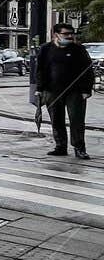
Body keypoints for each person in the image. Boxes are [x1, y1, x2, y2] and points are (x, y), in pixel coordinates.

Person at [35, 22, 94, 159]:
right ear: (56, 34)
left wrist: (86, 90)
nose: (69, 36)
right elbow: (40, 70)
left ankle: (79, 148)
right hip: (52, 91)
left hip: (75, 91)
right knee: (56, 119)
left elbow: (88, 70)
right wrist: (39, 88)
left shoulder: (78, 49)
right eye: (66, 34)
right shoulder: (45, 49)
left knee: (76, 120)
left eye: (71, 33)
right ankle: (60, 146)